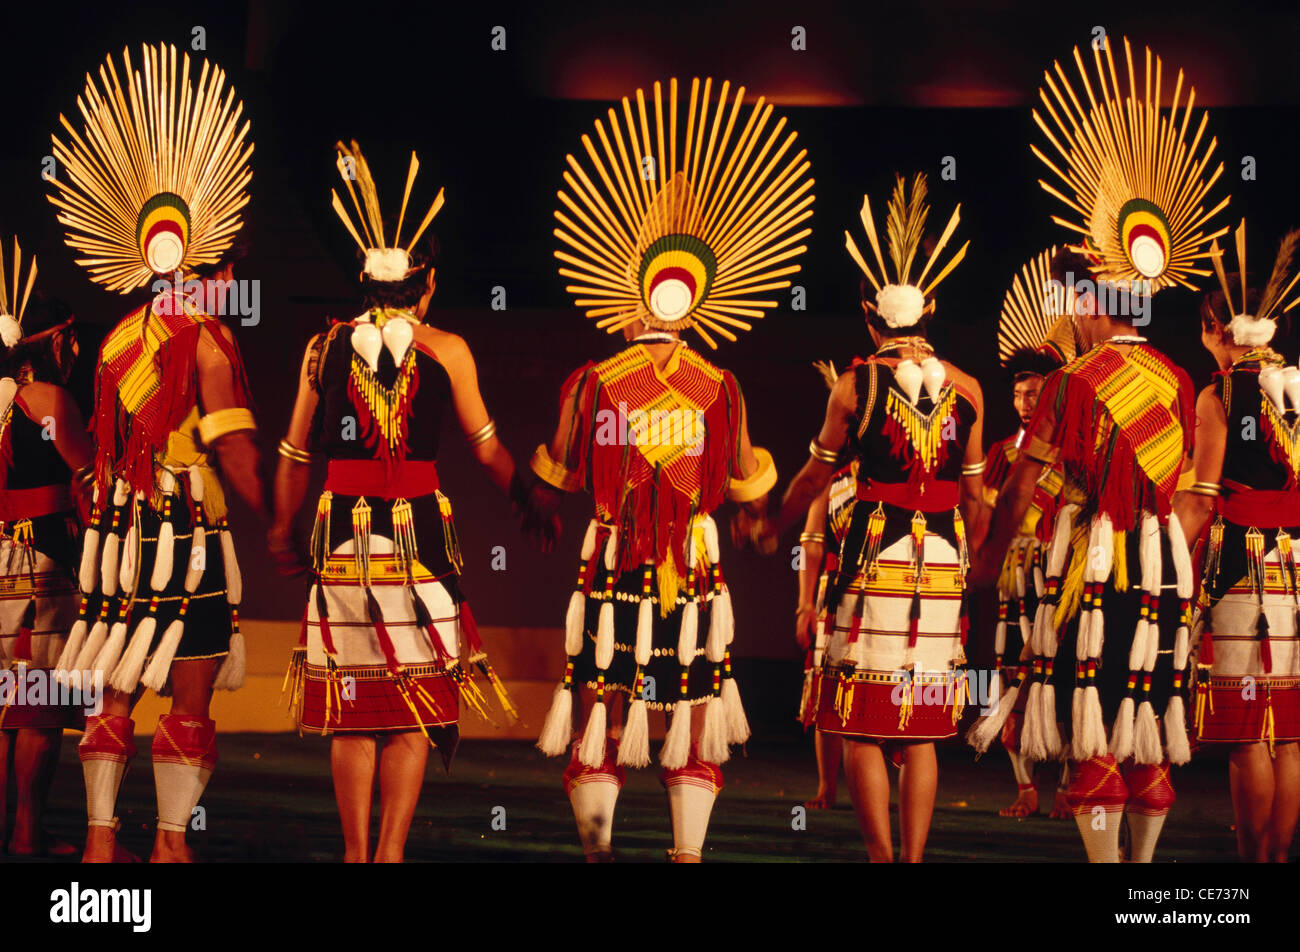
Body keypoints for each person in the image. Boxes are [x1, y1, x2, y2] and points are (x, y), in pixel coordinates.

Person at [525, 76, 799, 862]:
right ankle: (686, 857)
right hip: (693, 563)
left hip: (613, 559)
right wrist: (756, 518)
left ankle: (600, 853)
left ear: (631, 289)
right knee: (691, 705)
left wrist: (534, 494)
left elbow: (558, 479)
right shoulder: (723, 387)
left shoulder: (596, 380)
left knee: (602, 701)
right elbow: (751, 493)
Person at [973, 37, 1228, 863]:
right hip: (1161, 570)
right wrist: (1179, 573)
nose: (1067, 315)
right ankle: (1144, 881)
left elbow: (1018, 490)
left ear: (1089, 297)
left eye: (1070, 299)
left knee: (1097, 733)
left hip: (1092, 566)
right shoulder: (1181, 380)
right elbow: (1194, 499)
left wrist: (989, 559)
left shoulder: (1073, 384)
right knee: (1146, 730)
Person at [47, 42, 264, 863]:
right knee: (193, 694)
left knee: (114, 686)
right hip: (188, 536)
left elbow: (104, 454)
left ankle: (102, 839)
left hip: (120, 536)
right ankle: (171, 842)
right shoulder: (206, 338)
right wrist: (272, 508)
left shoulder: (110, 344)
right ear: (203, 254)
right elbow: (228, 441)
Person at [271, 141, 516, 863]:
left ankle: (356, 855)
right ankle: (388, 856)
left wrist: (283, 527)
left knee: (355, 709)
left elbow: (294, 453)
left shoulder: (323, 349)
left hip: (340, 538)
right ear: (427, 285)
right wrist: (532, 492)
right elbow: (487, 450)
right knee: (409, 706)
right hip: (420, 550)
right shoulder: (450, 350)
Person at [753, 172, 984, 862]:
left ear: (868, 314)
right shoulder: (968, 390)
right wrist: (982, 565)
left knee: (861, 722)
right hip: (943, 566)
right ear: (932, 307)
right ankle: (910, 861)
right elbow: (974, 499)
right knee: (920, 731)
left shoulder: (856, 387)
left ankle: (883, 859)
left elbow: (816, 477)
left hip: (876, 559)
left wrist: (772, 522)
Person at [1173, 223, 1300, 862]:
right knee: (1292, 732)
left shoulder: (1219, 393)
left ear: (1220, 331)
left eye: (1205, 330)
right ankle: (1277, 859)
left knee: (1249, 732)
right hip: (1297, 569)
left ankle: (1257, 866)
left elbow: (1201, 494)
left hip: (1242, 572)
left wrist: (1163, 551)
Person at [972, 248, 1074, 820]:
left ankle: (1066, 783)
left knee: (1061, 672)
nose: (1024, 399)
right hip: (1016, 577)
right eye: (1018, 392)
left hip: (1060, 573)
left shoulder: (1071, 448)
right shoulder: (1000, 453)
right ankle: (1024, 785)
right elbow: (985, 517)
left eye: (1036, 391)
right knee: (1012, 673)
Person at [0, 249, 93, 857]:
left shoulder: (2, 400)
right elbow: (88, 478)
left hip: (2, 560)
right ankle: (29, 832)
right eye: (71, 338)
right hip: (45, 566)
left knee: (7, 702)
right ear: (55, 340)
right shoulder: (50, 401)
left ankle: (12, 829)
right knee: (40, 705)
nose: (75, 350)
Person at [795, 363, 854, 811]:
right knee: (826, 690)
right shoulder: (831, 478)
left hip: (886, 588)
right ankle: (826, 786)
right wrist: (804, 607)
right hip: (834, 593)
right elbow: (812, 545)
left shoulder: (897, 468)